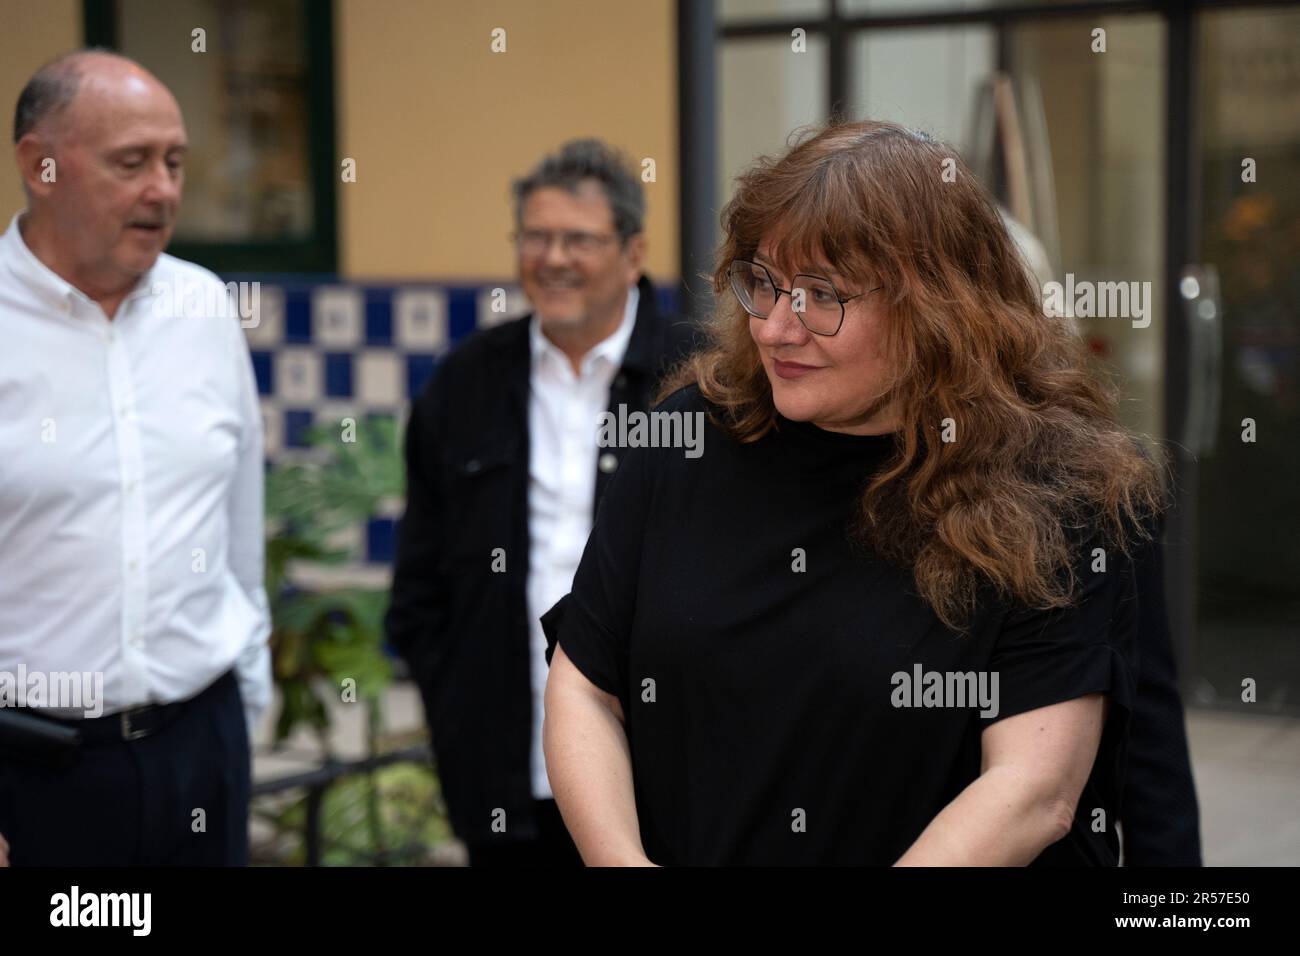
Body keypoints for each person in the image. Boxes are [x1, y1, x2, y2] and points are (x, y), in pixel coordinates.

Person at [542, 119, 1174, 866]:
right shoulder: (684, 440)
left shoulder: (1052, 490)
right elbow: (584, 687)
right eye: (765, 284)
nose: (777, 326)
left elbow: (1034, 790)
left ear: (936, 310)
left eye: (822, 295)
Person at [385, 139, 698, 866]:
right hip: (503, 775)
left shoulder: (697, 382)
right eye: (536, 236)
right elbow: (419, 589)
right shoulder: (465, 383)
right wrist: (457, 704)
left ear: (633, 251)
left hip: (659, 779)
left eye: (579, 239)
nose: (553, 258)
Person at [0, 50, 269, 866]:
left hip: (201, 749)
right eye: (132, 163)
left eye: (176, 161)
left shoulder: (205, 307)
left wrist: (243, 716)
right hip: (35, 773)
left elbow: (239, 533)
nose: (164, 189)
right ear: (39, 165)